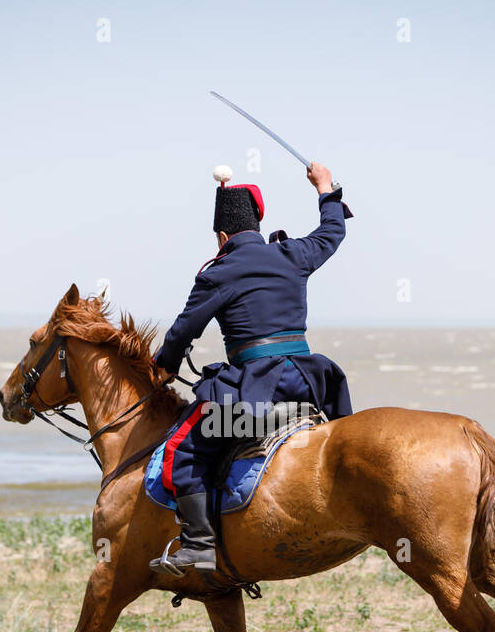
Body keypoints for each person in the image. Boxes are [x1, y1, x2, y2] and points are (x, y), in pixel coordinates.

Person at [150, 161, 354, 576]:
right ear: (259, 226)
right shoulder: (293, 252)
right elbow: (333, 231)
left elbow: (182, 332)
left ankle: (199, 546)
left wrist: (164, 368)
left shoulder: (218, 272)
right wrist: (325, 187)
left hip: (258, 393)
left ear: (222, 236)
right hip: (311, 383)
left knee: (182, 448)